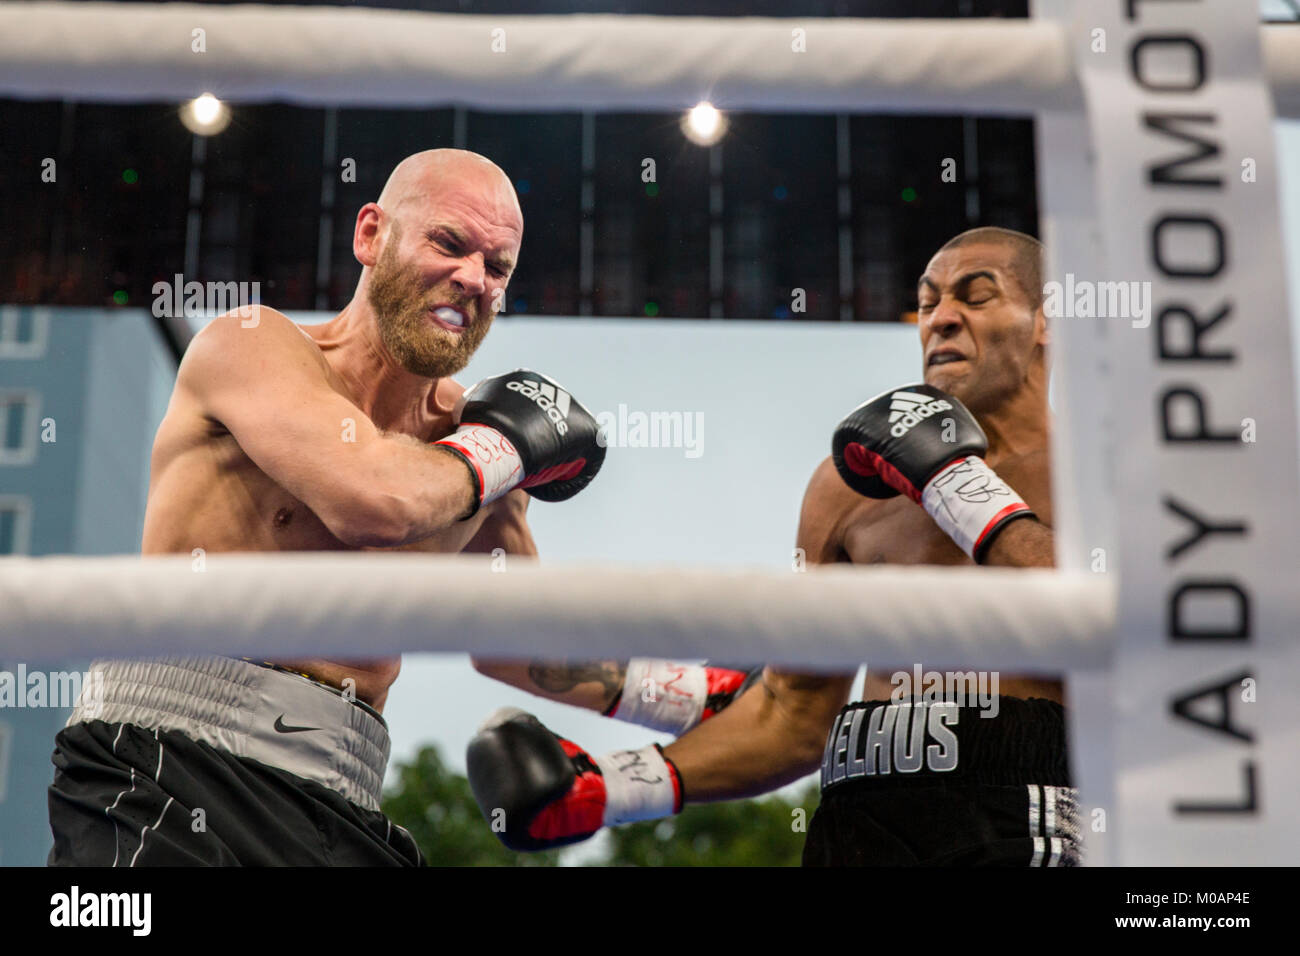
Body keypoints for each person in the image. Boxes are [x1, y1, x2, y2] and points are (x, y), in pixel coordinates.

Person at [47, 148, 606, 866]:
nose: (474, 278)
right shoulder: (254, 347)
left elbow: (521, 644)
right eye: (450, 243)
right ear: (371, 234)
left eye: (498, 267)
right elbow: (372, 499)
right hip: (166, 760)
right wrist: (509, 453)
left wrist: (695, 697)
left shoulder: (477, 448)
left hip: (340, 792)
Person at [469, 226, 1080, 866]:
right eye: (927, 303)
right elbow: (792, 714)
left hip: (1025, 813)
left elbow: (1144, 646)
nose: (942, 319)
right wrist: (610, 787)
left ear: (1048, 321)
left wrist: (960, 489)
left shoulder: (1100, 471)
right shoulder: (850, 489)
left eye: (975, 297)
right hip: (859, 822)